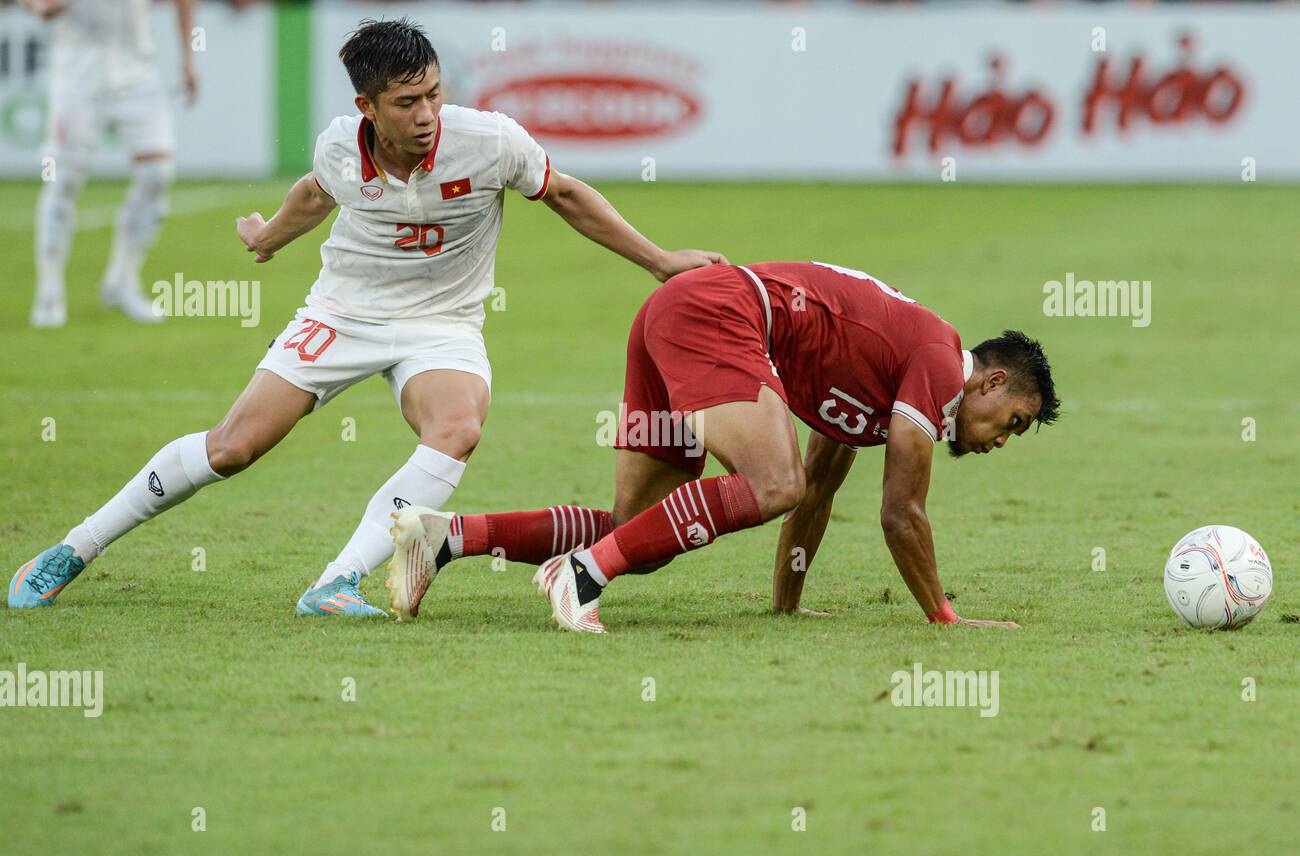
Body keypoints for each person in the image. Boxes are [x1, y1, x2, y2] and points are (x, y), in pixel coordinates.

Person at [8, 17, 726, 614]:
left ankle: (335, 580)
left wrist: (660, 261)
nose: (426, 115)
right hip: (344, 310)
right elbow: (314, 194)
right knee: (232, 448)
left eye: (435, 96)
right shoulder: (338, 146)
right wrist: (267, 238)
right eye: (407, 102)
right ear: (368, 108)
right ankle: (76, 546)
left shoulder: (491, 141)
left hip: (443, 321)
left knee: (458, 427)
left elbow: (566, 195)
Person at [390, 261, 1059, 631]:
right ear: (991, 381)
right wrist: (944, 615)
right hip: (721, 312)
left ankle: (447, 537)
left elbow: (819, 494)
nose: (1005, 438)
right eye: (1015, 419)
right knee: (774, 481)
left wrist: (788, 603)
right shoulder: (938, 367)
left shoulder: (884, 386)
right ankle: (584, 574)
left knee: (636, 528)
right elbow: (900, 512)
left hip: (679, 312)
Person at [24, 0, 198, 327]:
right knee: (62, 180)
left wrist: (188, 57)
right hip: (77, 76)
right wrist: (37, 5)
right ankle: (49, 289)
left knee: (157, 175)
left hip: (137, 74)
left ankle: (122, 279)